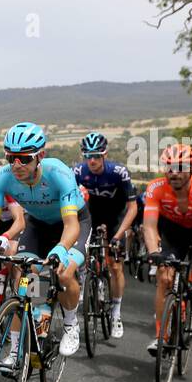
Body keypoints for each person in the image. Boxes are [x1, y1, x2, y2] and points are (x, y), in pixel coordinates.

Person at [0, 122, 90, 360]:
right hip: (37, 225)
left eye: (24, 159)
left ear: (40, 157)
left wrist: (61, 248)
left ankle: (70, 323)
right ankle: (16, 351)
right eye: (11, 157)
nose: (16, 165)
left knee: (65, 273)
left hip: (72, 224)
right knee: (26, 283)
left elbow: (71, 224)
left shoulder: (58, 173)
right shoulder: (1, 179)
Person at [141, 145, 192, 354]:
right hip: (174, 233)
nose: (174, 173)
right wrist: (153, 253)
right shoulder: (155, 187)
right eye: (169, 168)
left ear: (191, 168)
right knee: (164, 276)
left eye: (180, 167)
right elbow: (149, 225)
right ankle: (162, 336)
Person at [73, 131, 136, 338]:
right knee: (81, 251)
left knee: (115, 266)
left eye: (96, 156)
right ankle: (87, 278)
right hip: (92, 215)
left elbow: (133, 208)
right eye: (88, 156)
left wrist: (119, 236)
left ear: (104, 155)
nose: (92, 160)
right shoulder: (79, 172)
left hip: (116, 218)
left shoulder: (118, 172)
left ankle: (116, 312)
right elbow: (70, 201)